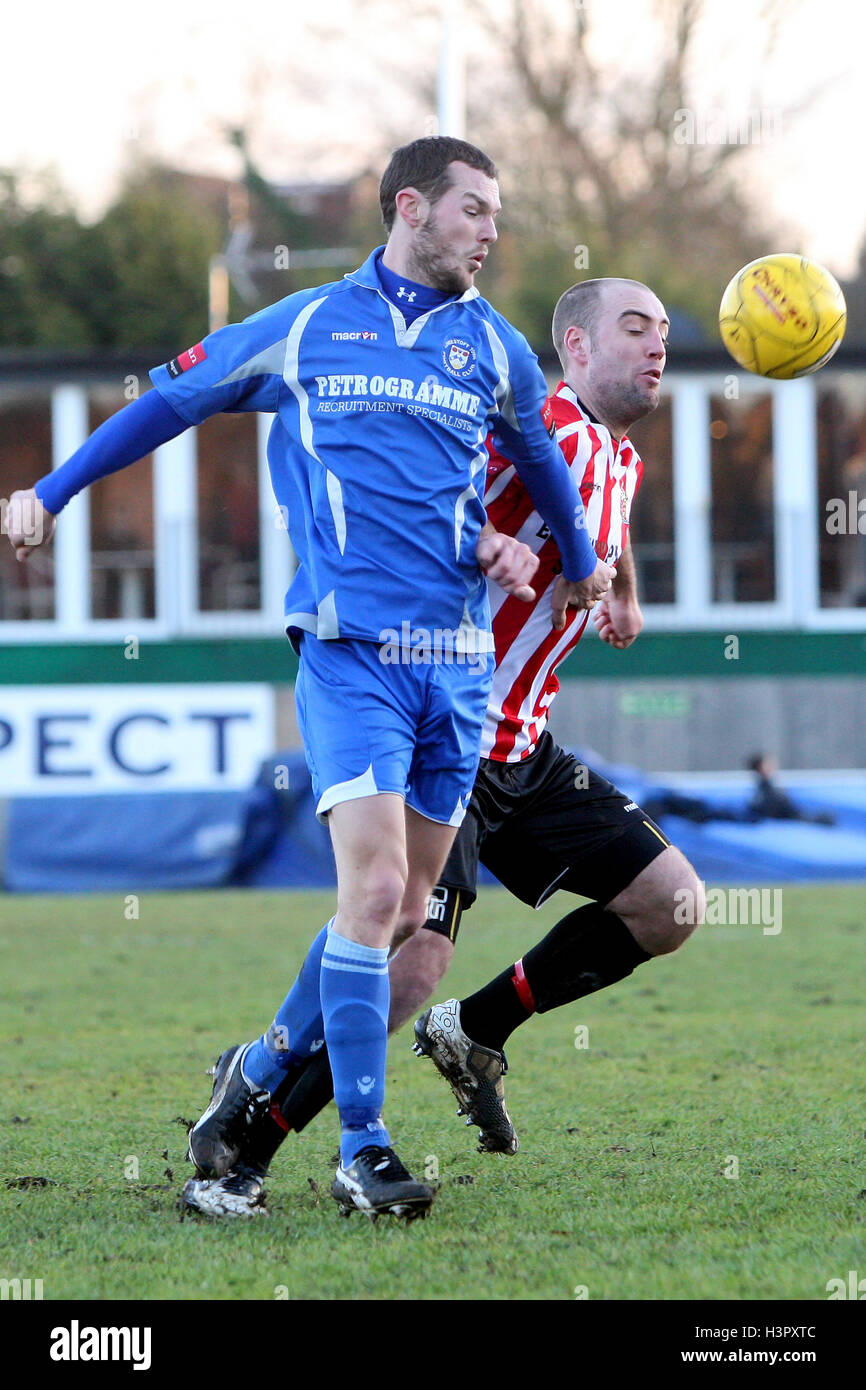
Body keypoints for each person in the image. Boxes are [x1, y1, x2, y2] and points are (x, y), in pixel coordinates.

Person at [6, 137, 612, 1220]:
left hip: (456, 671)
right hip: (348, 655)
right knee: (374, 895)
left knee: (412, 910)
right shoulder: (306, 326)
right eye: (472, 209)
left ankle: (257, 1068)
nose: (489, 229)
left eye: (495, 213)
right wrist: (50, 493)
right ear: (410, 207)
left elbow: (544, 467)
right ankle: (362, 1150)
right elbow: (166, 402)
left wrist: (579, 567)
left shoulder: (495, 346)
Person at [186, 277, 707, 1217]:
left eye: (665, 331)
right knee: (403, 956)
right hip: (450, 727)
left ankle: (473, 1029)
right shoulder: (527, 421)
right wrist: (478, 545)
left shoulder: (619, 456)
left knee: (671, 906)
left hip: (529, 746)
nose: (657, 345)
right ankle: (241, 1152)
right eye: (636, 328)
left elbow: (593, 521)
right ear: (577, 350)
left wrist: (620, 585)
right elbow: (437, 492)